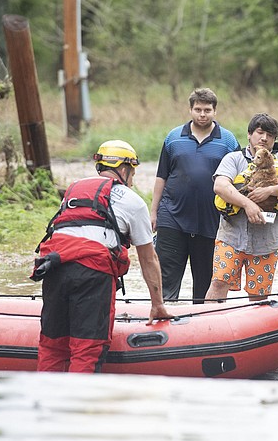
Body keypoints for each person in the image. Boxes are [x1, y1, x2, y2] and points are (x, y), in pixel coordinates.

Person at [34, 140, 170, 373]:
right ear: (124, 169)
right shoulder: (132, 201)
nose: (133, 179)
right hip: (91, 273)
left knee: (53, 346)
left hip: (54, 268)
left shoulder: (73, 191)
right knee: (87, 348)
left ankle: (46, 402)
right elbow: (149, 259)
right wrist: (157, 304)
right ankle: (80, 405)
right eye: (133, 172)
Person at [151, 88, 240, 303]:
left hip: (212, 221)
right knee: (167, 278)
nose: (202, 114)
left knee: (205, 282)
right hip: (171, 217)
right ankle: (163, 319)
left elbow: (239, 181)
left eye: (207, 110)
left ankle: (202, 328)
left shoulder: (228, 141)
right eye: (198, 109)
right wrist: (153, 212)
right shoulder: (173, 138)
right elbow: (161, 176)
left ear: (214, 111)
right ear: (190, 110)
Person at [205, 113, 278, 301]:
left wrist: (269, 191)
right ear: (249, 135)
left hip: (267, 241)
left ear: (274, 140)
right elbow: (220, 186)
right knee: (218, 283)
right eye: (260, 132)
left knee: (259, 294)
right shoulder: (233, 159)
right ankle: (209, 325)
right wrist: (248, 204)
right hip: (231, 237)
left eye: (270, 135)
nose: (264, 138)